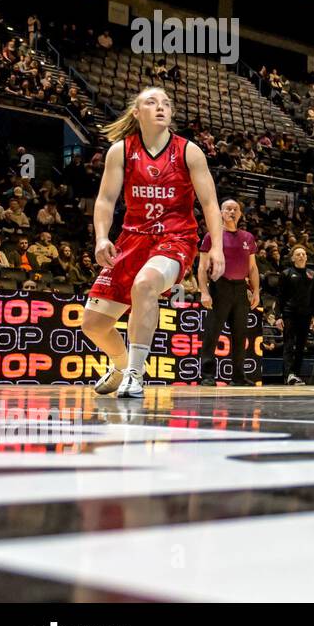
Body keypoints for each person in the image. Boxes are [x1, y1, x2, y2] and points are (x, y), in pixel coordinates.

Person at [84, 87, 223, 398]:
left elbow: (210, 204)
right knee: (93, 325)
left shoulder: (189, 151)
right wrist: (102, 237)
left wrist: (216, 247)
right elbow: (106, 200)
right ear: (137, 112)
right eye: (152, 102)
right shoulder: (120, 151)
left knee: (146, 284)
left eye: (166, 104)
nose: (161, 107)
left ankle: (135, 373)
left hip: (176, 237)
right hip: (132, 239)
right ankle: (120, 367)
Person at [197, 199, 259, 387]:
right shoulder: (212, 237)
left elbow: (253, 268)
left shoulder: (248, 237)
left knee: (240, 335)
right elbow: (202, 267)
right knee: (212, 334)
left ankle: (238, 376)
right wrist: (205, 292)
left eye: (235, 209)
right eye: (228, 209)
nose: (232, 212)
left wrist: (256, 291)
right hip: (219, 287)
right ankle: (208, 376)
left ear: (240, 214)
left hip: (241, 289)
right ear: (221, 213)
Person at [276, 245, 314, 386]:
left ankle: (295, 374)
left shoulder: (312, 274)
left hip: (305, 316)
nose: (301, 256)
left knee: (301, 346)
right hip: (289, 315)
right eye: (298, 254)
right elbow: (280, 297)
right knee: (289, 345)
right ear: (293, 258)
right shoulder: (286, 274)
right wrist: (278, 316)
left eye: (303, 254)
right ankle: (288, 375)